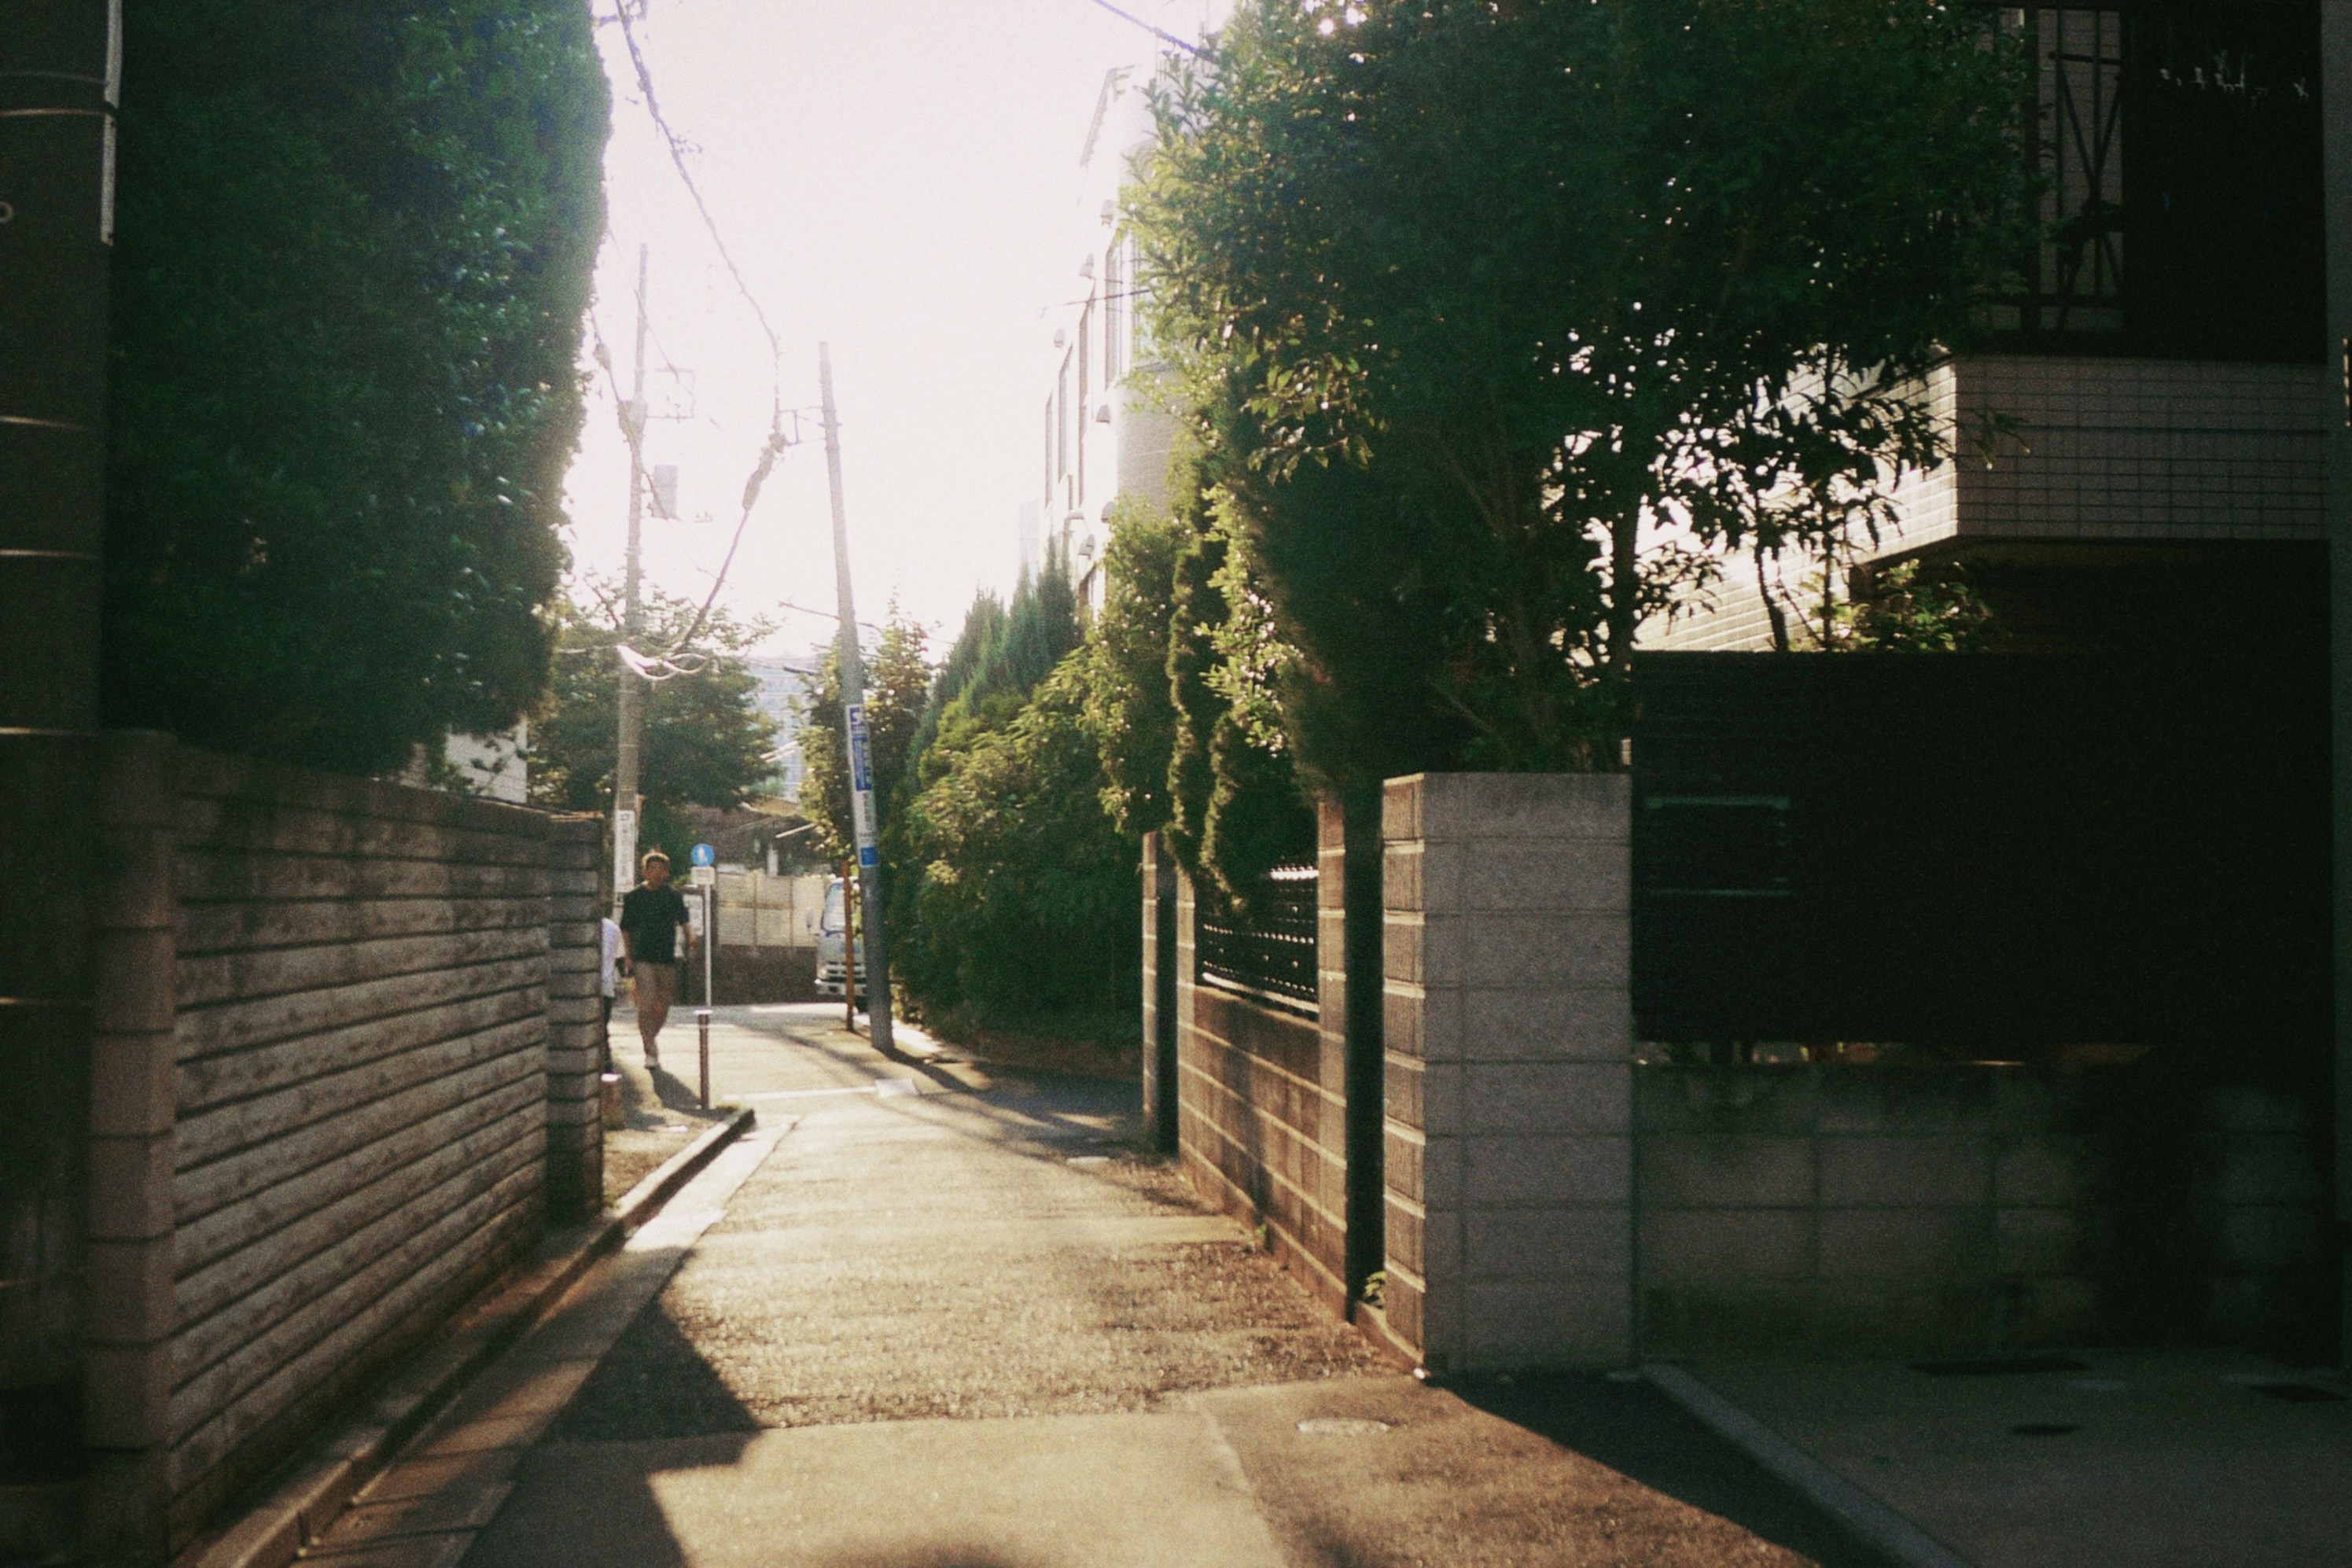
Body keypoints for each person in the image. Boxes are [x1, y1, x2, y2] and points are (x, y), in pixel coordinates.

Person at [618, 849, 694, 1070]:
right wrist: (628, 957)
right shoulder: (634, 898)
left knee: (663, 1005)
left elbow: (684, 921)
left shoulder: (673, 897)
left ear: (667, 873)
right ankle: (650, 1049)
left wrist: (692, 938)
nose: (656, 873)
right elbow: (626, 930)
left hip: (666, 957)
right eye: (652, 869)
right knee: (647, 1002)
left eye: (660, 869)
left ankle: (651, 1036)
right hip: (642, 957)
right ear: (644, 871)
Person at [598, 913, 623, 1069]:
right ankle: (607, 1067)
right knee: (602, 1030)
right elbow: (618, 956)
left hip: (603, 987)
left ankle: (606, 1068)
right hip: (606, 987)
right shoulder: (613, 928)